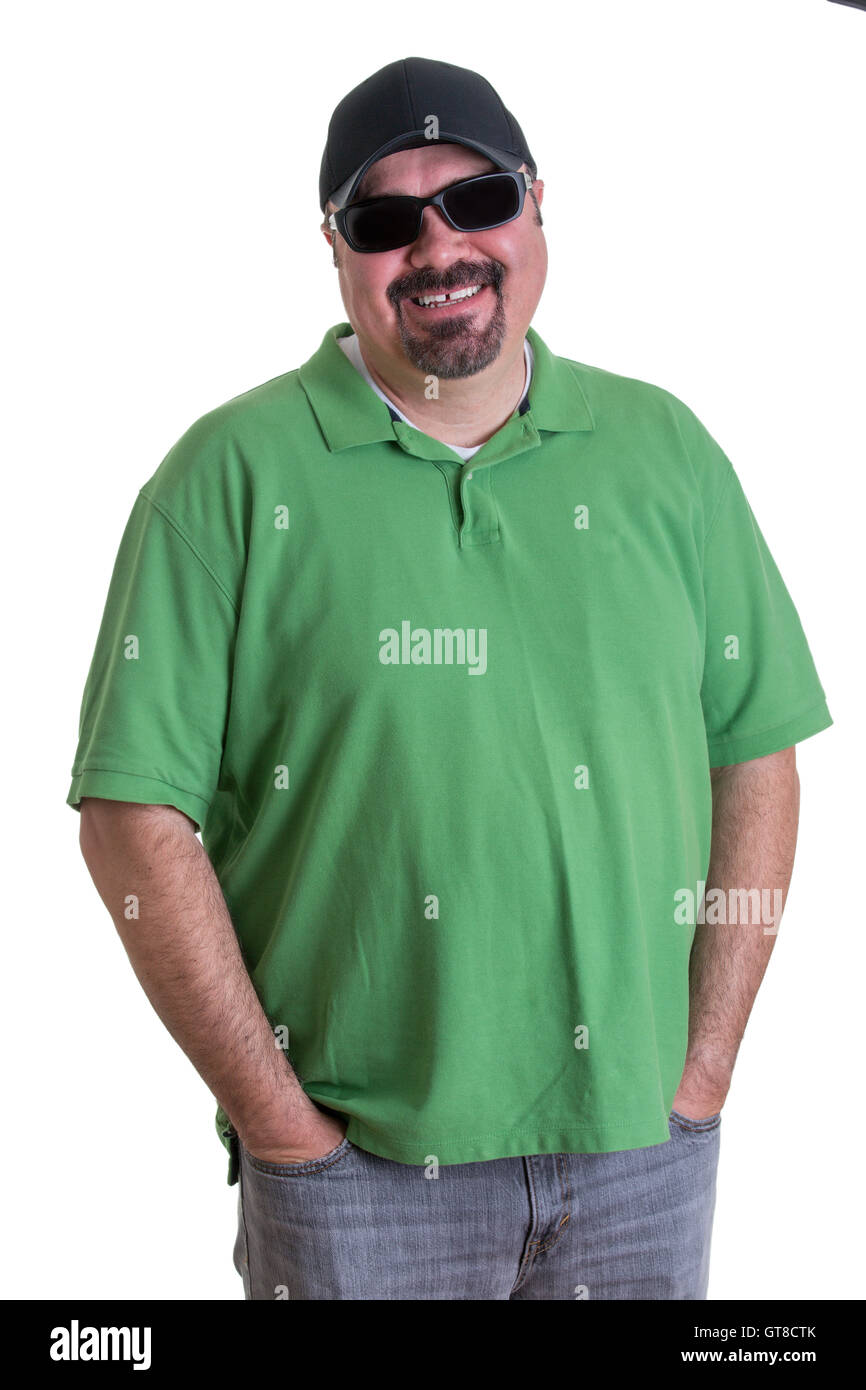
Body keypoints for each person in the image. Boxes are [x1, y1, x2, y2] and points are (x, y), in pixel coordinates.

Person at [67, 57, 832, 1300]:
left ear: (534, 205)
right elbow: (130, 818)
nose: (438, 245)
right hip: (360, 1177)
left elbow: (755, 749)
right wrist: (279, 1127)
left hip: (641, 1158)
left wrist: (698, 1076)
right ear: (335, 249)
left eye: (474, 199)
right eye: (383, 219)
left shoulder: (665, 454)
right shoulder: (225, 479)